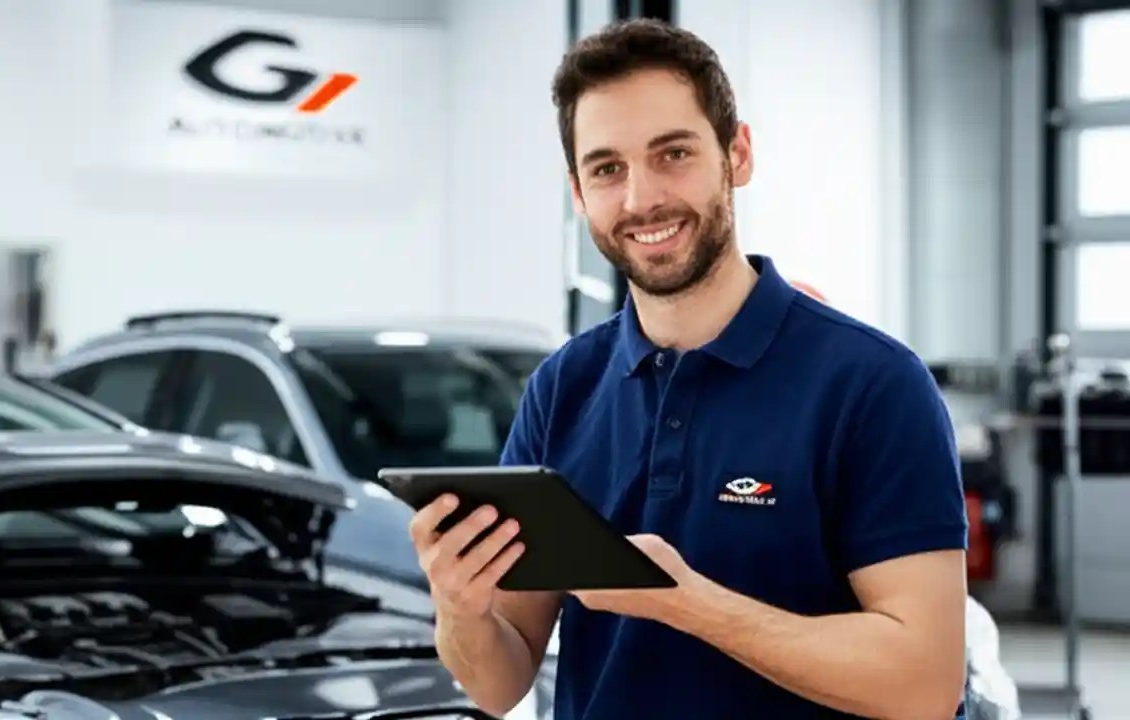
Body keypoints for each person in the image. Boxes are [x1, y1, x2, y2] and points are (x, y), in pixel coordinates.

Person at [406, 18, 969, 720]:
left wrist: (686, 603)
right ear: (578, 192)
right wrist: (460, 610)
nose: (641, 199)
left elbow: (925, 684)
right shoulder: (563, 387)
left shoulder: (873, 385)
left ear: (738, 154)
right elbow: (501, 684)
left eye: (673, 154)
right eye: (607, 169)